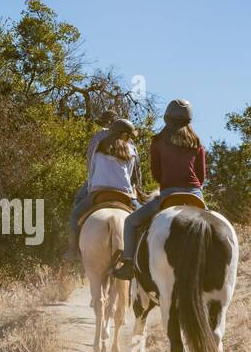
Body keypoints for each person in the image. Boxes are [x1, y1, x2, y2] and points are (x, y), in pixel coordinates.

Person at [111, 99, 206, 280]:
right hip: (195, 195)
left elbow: (157, 175)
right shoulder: (197, 142)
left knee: (131, 222)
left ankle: (129, 264)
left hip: (168, 196)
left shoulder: (158, 141)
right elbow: (201, 177)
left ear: (167, 118)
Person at [64, 110, 119, 259]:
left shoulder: (97, 138)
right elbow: (136, 169)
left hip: (97, 183)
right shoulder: (127, 140)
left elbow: (90, 163)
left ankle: (73, 250)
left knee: (76, 211)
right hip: (123, 188)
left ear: (105, 123)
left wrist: (93, 180)